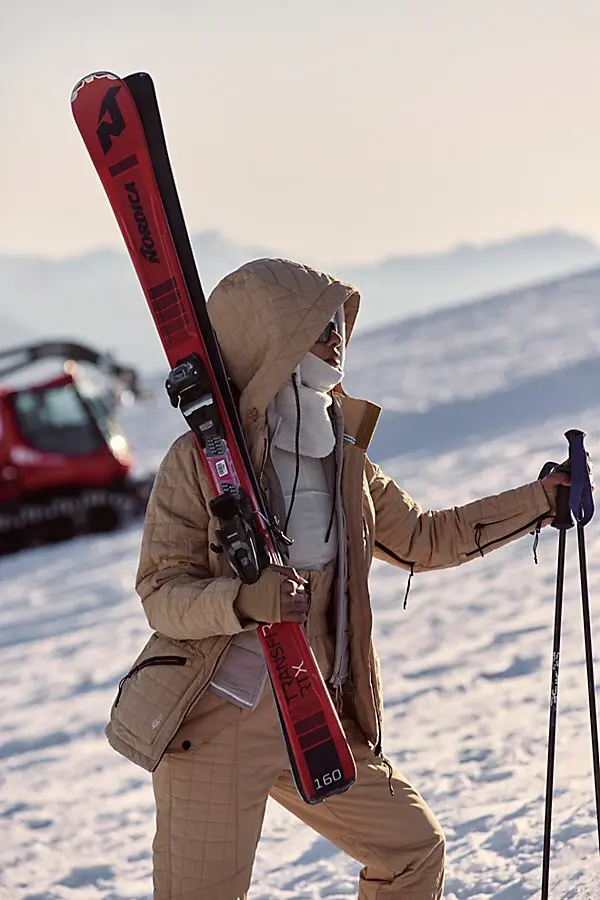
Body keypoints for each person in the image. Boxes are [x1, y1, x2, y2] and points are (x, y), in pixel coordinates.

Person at [106, 257, 568, 900]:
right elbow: (162, 594)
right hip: (211, 724)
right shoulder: (198, 463)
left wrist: (541, 500)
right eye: (314, 324)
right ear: (271, 343)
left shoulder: (344, 460)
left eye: (337, 322)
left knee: (412, 852)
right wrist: (242, 601)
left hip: (312, 712)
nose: (335, 337)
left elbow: (427, 538)